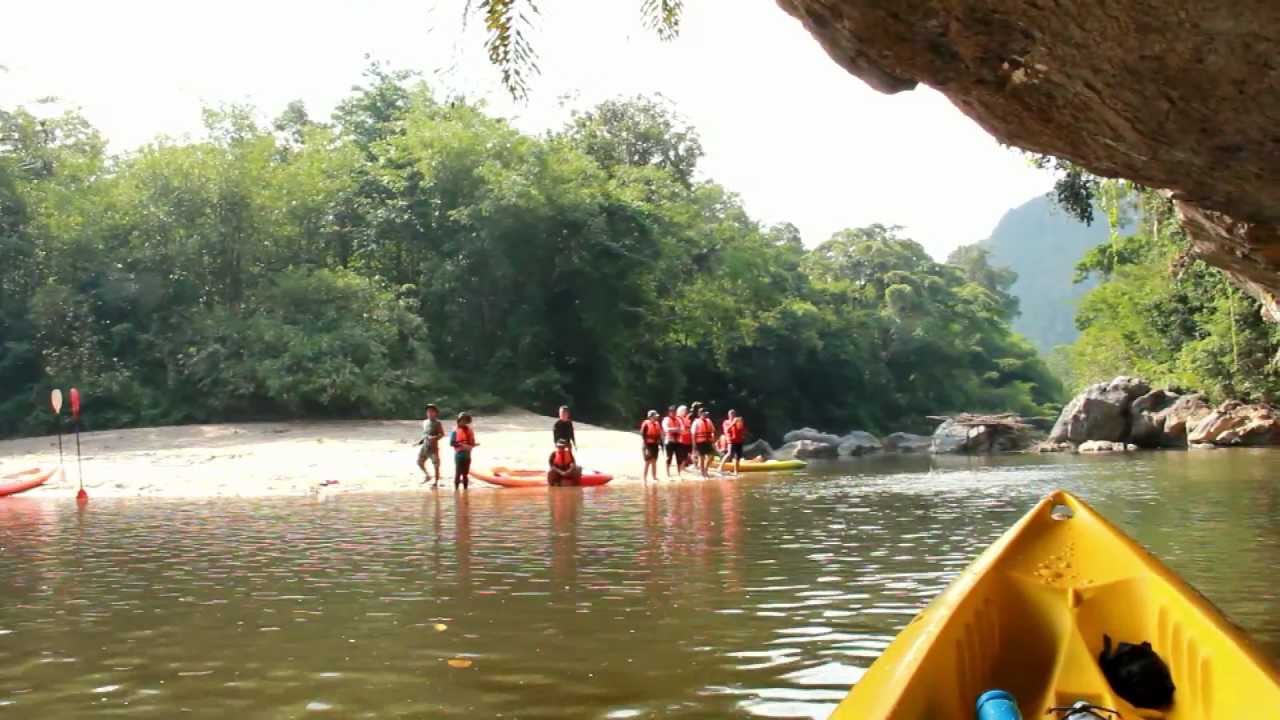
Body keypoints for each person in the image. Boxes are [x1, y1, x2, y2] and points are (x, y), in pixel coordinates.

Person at [416, 403, 446, 486]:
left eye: (432, 412)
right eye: (428, 412)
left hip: (433, 447)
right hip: (425, 446)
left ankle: (436, 482)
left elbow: (442, 434)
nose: (430, 413)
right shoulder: (425, 422)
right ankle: (427, 475)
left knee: (436, 464)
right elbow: (425, 434)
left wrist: (435, 438)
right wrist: (419, 442)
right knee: (419, 462)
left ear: (436, 413)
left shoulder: (438, 423)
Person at [450, 412, 478, 490]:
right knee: (458, 473)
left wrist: (472, 445)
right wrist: (462, 445)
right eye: (462, 420)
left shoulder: (469, 430)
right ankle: (456, 490)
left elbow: (472, 442)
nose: (464, 422)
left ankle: (465, 490)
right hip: (459, 455)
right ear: (459, 420)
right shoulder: (455, 431)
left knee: (465, 474)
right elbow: (452, 443)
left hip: (467, 455)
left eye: (465, 420)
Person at [719, 409, 746, 476]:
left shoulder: (738, 422)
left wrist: (741, 423)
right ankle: (720, 468)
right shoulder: (726, 422)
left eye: (733, 414)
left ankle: (736, 471)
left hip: (739, 441)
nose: (732, 416)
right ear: (728, 415)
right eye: (731, 414)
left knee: (738, 456)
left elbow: (742, 430)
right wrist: (733, 423)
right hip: (731, 441)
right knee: (729, 454)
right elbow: (727, 430)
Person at [692, 408, 717, 478]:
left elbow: (713, 431)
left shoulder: (709, 421)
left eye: (705, 413)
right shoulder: (696, 422)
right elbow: (693, 434)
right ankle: (703, 473)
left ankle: (705, 469)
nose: (704, 414)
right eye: (703, 413)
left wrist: (713, 440)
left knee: (712, 456)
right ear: (699, 414)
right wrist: (694, 445)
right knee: (701, 458)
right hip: (700, 442)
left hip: (708, 441)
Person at [640, 410, 663, 482]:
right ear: (650, 417)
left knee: (654, 461)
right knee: (647, 462)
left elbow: (659, 435)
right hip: (647, 445)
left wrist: (660, 444)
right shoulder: (646, 424)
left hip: (655, 445)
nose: (656, 417)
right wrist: (646, 446)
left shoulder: (657, 424)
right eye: (654, 416)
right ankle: (644, 478)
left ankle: (654, 477)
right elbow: (642, 434)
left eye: (656, 416)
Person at [662, 406, 681, 477]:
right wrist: (676, 429)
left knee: (679, 458)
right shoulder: (666, 420)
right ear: (669, 412)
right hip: (669, 441)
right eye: (672, 411)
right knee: (668, 458)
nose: (673, 413)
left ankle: (679, 473)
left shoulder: (678, 420)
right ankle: (668, 474)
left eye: (674, 411)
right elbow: (666, 429)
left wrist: (675, 429)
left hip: (677, 441)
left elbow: (681, 429)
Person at [676, 405, 694, 475]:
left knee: (686, 455)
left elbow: (689, 428)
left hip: (688, 440)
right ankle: (681, 468)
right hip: (681, 440)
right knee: (682, 455)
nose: (686, 412)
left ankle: (683, 467)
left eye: (686, 411)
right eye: (684, 411)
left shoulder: (686, 419)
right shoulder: (677, 419)